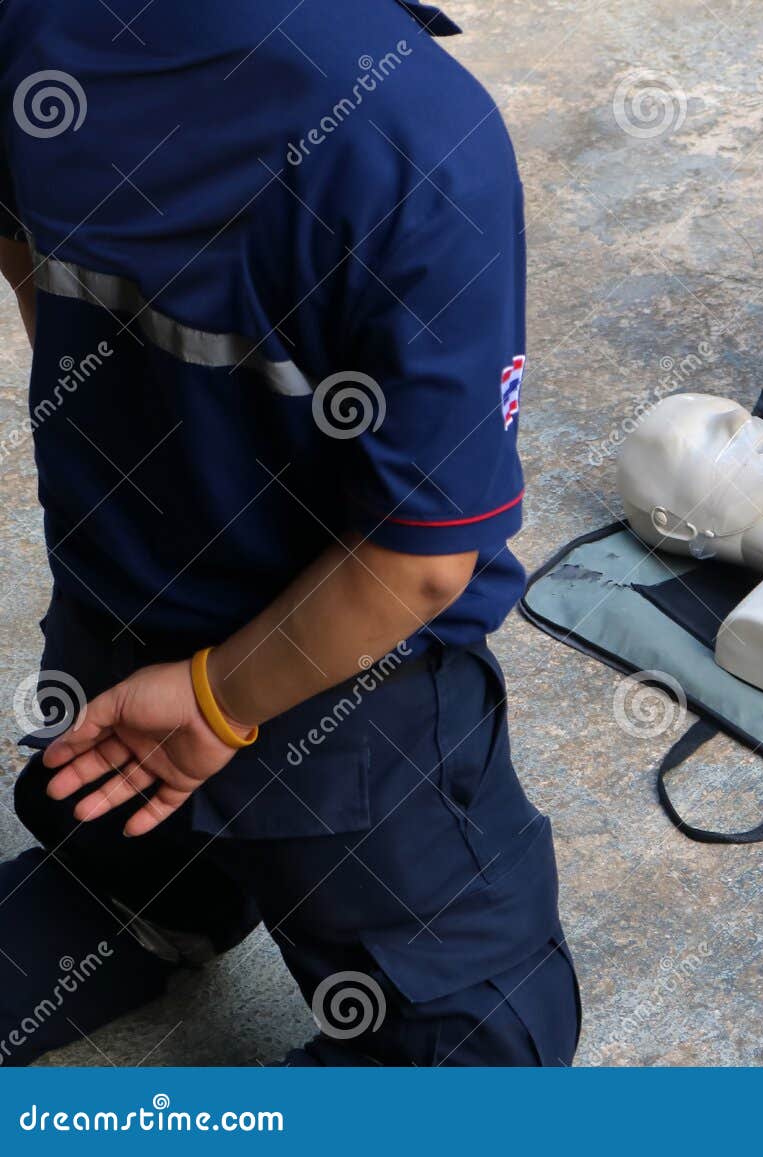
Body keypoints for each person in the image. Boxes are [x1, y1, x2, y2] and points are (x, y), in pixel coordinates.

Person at [0, 0, 578, 1065]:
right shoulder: (412, 131)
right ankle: (169, 879)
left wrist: (135, 429)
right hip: (336, 688)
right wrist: (218, 700)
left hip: (113, 611)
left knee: (122, 837)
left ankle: (152, 887)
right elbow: (421, 558)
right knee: (482, 1058)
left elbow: (27, 247)